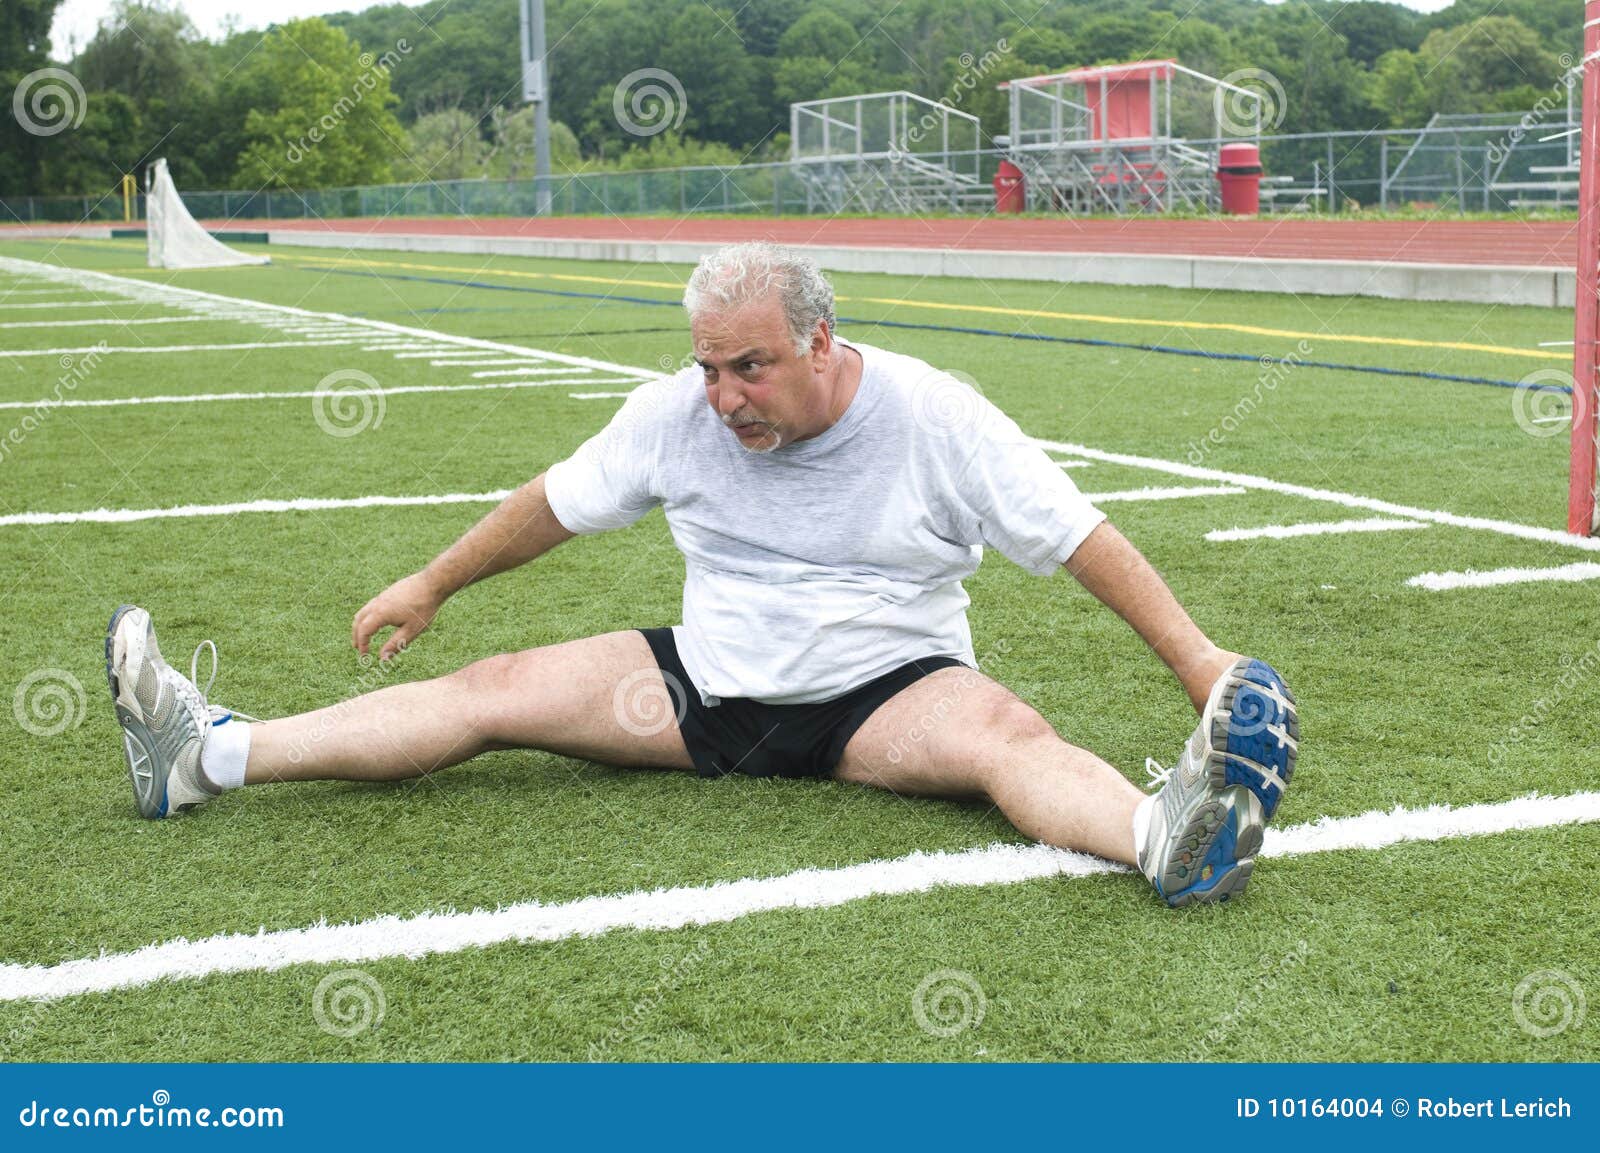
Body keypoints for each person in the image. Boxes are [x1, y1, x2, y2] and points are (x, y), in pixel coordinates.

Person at [104, 242, 1297, 906]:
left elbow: (1080, 538)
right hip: (698, 689)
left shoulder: (939, 416)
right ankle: (201, 753)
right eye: (708, 367)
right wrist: (431, 582)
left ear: (823, 341)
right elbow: (554, 506)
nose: (724, 397)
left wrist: (1198, 663)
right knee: (490, 688)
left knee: (1005, 735)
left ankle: (1166, 837)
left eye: (751, 367)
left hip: (882, 691)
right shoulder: (682, 411)